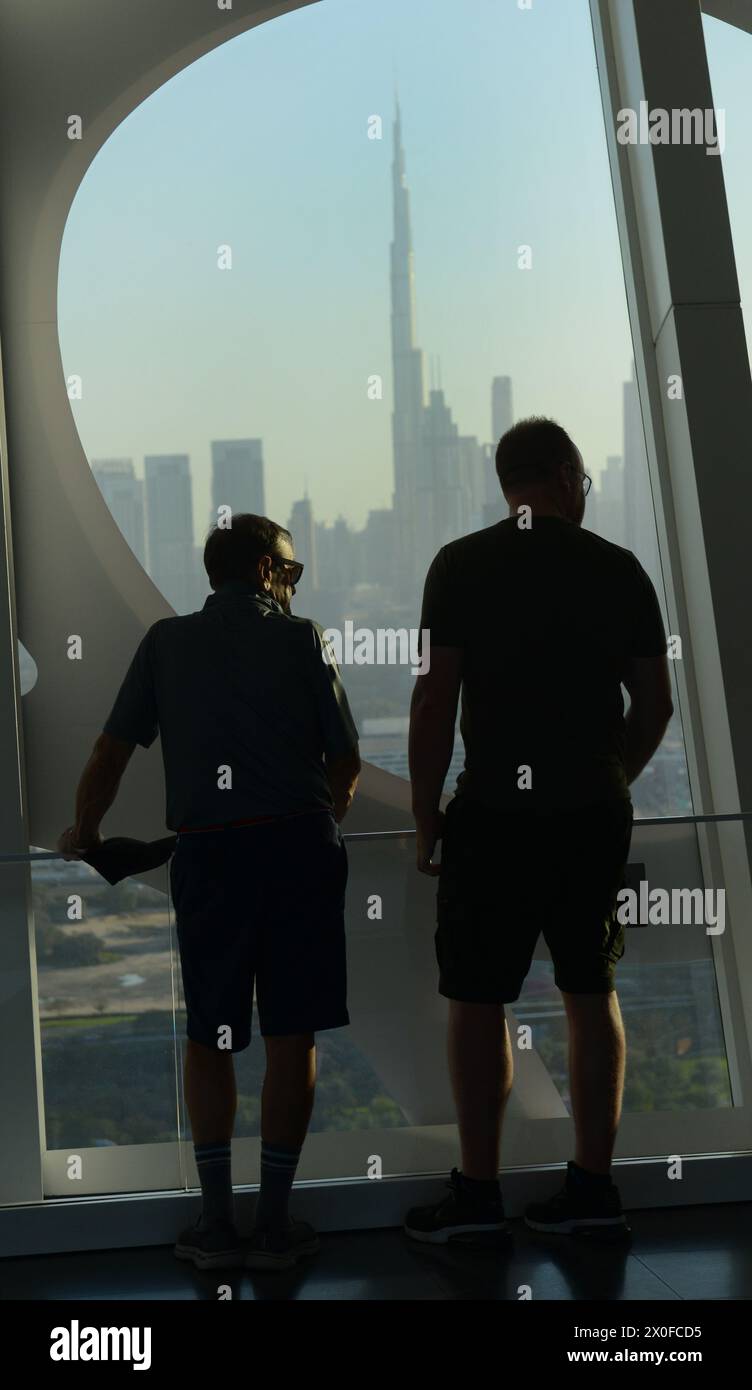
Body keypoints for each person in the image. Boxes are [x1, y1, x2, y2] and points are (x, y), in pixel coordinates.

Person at [58, 514, 361, 1272]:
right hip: (297, 854)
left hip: (211, 861)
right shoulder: (303, 639)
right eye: (288, 574)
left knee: (211, 1035)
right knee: (293, 1037)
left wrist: (85, 831)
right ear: (264, 570)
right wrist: (316, 819)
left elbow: (111, 750)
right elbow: (346, 763)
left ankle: (217, 1223)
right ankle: (277, 1226)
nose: (294, 587)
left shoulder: (167, 643)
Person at [405, 417, 673, 1245]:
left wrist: (425, 815)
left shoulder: (460, 565)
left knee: (478, 1001)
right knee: (590, 995)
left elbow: (434, 702)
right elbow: (655, 703)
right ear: (563, 475)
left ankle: (478, 1196)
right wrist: (611, 776)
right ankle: (593, 1186)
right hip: (591, 813)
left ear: (507, 481)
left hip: (493, 818)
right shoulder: (618, 569)